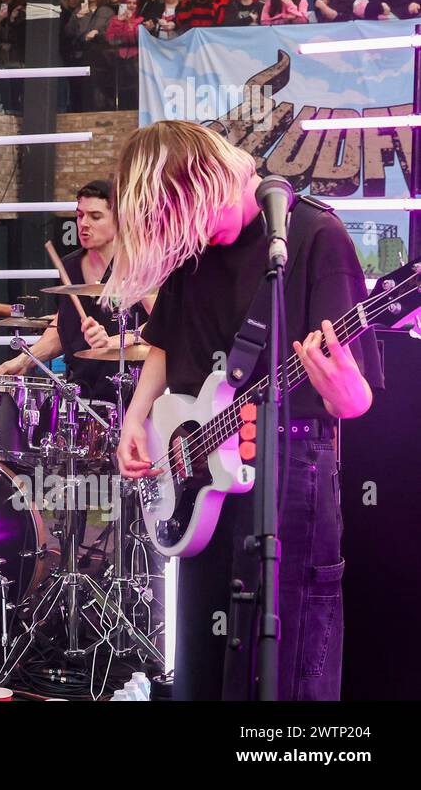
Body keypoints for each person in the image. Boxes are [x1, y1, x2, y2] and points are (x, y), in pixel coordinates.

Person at [106, 121, 382, 701]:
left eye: (190, 220)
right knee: (203, 660)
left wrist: (342, 388)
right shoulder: (193, 249)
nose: (191, 240)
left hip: (292, 472)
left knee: (285, 660)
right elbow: (164, 342)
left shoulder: (312, 237)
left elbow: (356, 402)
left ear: (207, 183)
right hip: (203, 480)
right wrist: (136, 416)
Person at [0, 180, 153, 397]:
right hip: (81, 393)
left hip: (131, 392)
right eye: (80, 215)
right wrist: (25, 360)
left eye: (95, 216)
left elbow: (164, 325)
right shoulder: (70, 266)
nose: (84, 223)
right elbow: (64, 328)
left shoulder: (140, 265)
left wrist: (114, 342)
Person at [104, 0, 143, 107]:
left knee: (135, 89)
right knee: (120, 89)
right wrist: (120, 21)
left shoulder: (140, 20)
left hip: (135, 59)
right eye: (128, 3)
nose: (131, 5)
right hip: (119, 59)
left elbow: (134, 38)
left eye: (134, 3)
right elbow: (111, 38)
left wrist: (130, 23)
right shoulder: (115, 19)